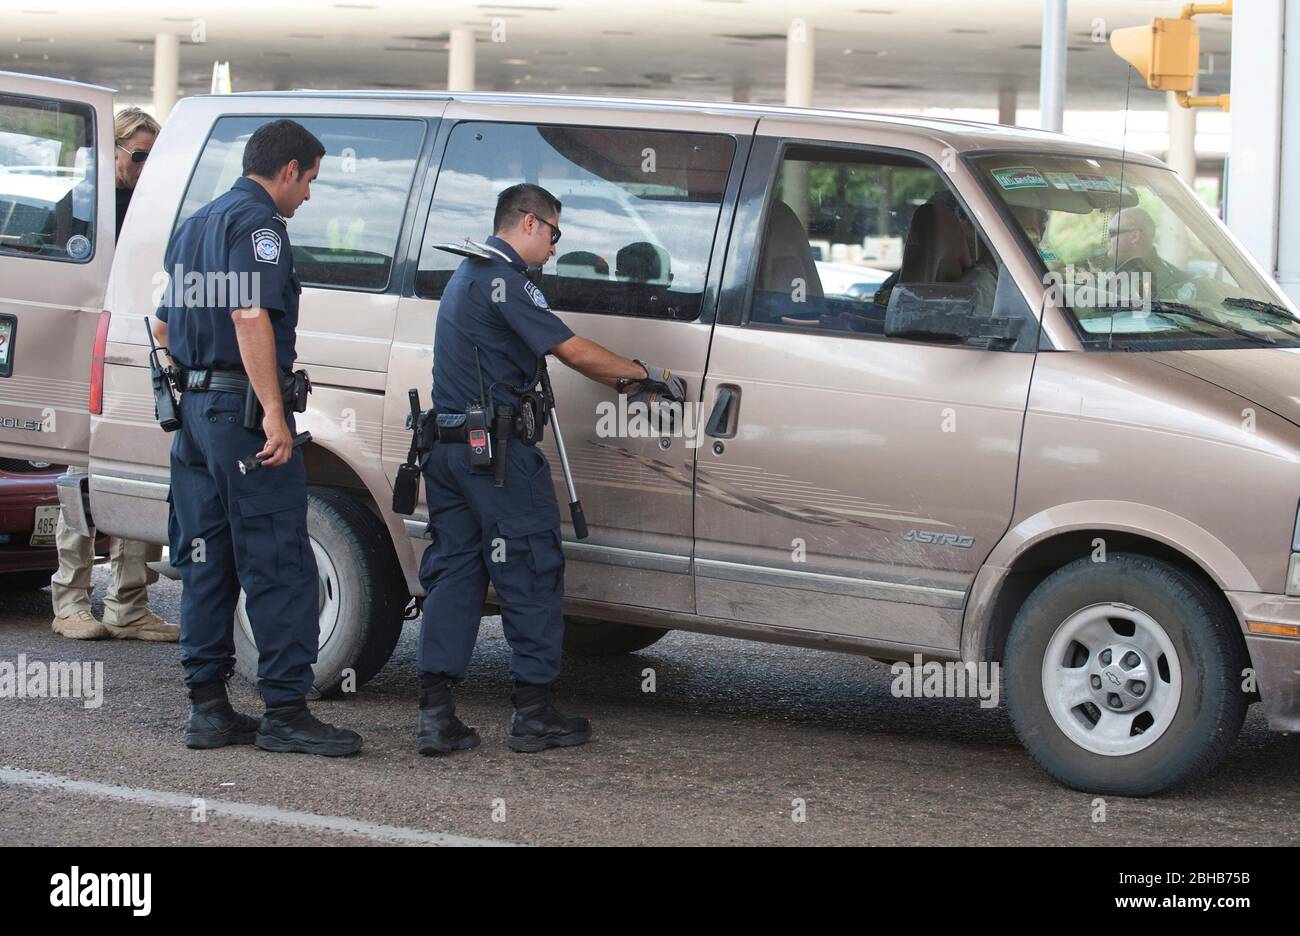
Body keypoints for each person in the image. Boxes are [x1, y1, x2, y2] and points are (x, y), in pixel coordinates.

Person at [416, 183, 685, 756]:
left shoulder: (469, 273)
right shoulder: (505, 280)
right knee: (531, 570)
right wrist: (643, 374)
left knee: (457, 576)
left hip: (448, 449)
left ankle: (436, 717)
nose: (556, 250)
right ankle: (534, 715)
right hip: (497, 458)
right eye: (556, 235)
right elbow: (572, 351)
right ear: (531, 223)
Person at [152, 119, 362, 756]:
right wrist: (273, 411)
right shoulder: (260, 226)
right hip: (238, 420)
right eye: (311, 181)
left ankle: (208, 710)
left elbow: (164, 326)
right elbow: (249, 314)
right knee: (278, 558)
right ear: (290, 169)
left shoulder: (196, 224)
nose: (308, 197)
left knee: (205, 560)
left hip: (192, 416)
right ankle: (286, 712)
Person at [51, 107, 172, 643]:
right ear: (114, 153)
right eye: (139, 156)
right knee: (83, 472)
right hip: (86, 355)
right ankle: (71, 599)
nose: (147, 167)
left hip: (134, 353)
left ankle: (129, 603)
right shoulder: (79, 208)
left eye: (155, 157)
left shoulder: (156, 214)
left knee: (136, 466)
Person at [1104, 206, 1189, 299]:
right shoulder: (1108, 271)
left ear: (1134, 236)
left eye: (1112, 233)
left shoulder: (1169, 283)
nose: (1107, 239)